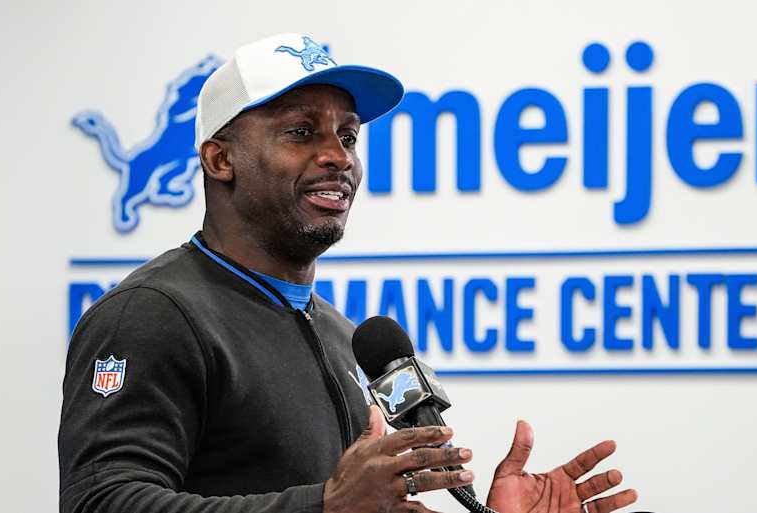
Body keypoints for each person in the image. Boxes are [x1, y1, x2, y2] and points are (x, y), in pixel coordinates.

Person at [59, 33, 639, 513]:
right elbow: (102, 502)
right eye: (301, 132)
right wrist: (326, 506)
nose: (338, 156)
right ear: (220, 158)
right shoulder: (153, 314)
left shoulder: (341, 334)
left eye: (348, 136)